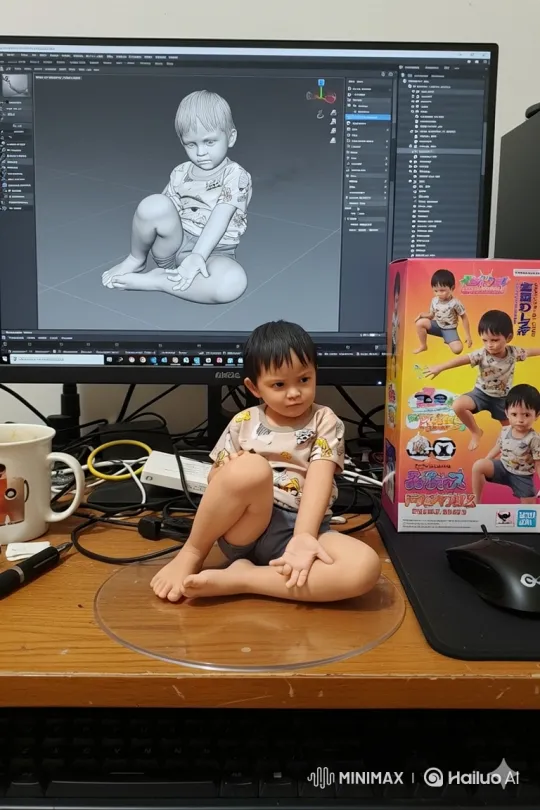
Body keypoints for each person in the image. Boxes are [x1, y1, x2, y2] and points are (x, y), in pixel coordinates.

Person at [150, 320, 381, 603]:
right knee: (251, 468)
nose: (294, 392)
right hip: (247, 524)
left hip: (303, 528)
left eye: (304, 380)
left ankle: (245, 579)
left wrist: (304, 537)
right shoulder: (243, 422)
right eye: (279, 384)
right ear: (255, 387)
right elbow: (215, 483)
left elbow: (321, 477)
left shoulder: (325, 420)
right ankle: (192, 552)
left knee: (364, 568)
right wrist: (227, 470)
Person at [102, 90, 252, 304]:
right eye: (191, 144)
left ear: (231, 137)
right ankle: (136, 259)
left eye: (209, 142)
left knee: (232, 282)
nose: (201, 152)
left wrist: (198, 256)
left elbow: (222, 215)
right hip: (175, 245)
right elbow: (163, 209)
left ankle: (158, 281)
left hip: (216, 252)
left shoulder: (236, 175)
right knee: (153, 204)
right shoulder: (181, 172)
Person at [424, 310, 540, 451]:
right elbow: (462, 359)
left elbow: (530, 351)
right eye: (485, 340)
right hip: (480, 393)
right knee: (458, 406)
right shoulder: (482, 354)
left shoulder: (514, 352)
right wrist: (440, 367)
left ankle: (508, 455)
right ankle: (475, 431)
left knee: (514, 433)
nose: (489, 345)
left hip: (502, 399)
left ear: (508, 338)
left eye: (495, 340)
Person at [472, 384, 540, 504]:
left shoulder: (534, 439)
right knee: (478, 465)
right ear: (507, 413)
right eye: (514, 414)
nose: (520, 420)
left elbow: (538, 464)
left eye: (527, 415)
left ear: (537, 415)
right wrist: (487, 460)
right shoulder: (505, 429)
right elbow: (499, 446)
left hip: (522, 476)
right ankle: (476, 502)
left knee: (530, 509)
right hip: (502, 468)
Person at [414, 268, 471, 355]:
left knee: (457, 350)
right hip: (437, 325)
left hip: (449, 329)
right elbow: (431, 315)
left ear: (452, 288)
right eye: (435, 291)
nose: (438, 294)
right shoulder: (434, 300)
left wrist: (468, 335)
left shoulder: (455, 303)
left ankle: (449, 338)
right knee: (419, 323)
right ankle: (423, 346)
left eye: (442, 291)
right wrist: (422, 315)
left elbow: (464, 317)